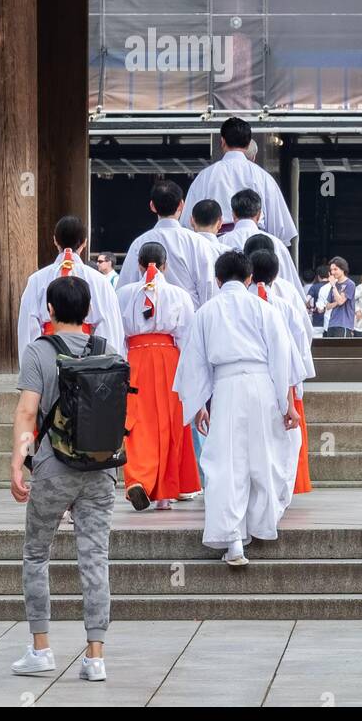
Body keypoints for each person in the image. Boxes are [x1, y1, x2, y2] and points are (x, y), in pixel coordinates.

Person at [11, 276, 115, 683]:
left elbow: (26, 412)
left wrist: (18, 460)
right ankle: (95, 657)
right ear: (88, 311)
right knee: (95, 559)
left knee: (37, 555)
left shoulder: (38, 352)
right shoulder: (107, 350)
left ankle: (41, 649)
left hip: (53, 468)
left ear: (49, 311)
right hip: (101, 469)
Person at [173, 251, 304, 566]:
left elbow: (194, 362)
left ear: (217, 280)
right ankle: (261, 523)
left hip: (226, 387)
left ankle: (233, 542)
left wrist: (198, 406)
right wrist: (287, 402)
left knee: (226, 463)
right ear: (249, 279)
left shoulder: (206, 312)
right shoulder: (264, 308)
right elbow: (281, 356)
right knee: (267, 456)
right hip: (262, 385)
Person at [115, 242, 200, 512]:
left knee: (136, 421)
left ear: (139, 265)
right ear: (165, 265)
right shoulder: (179, 294)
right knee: (169, 422)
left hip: (135, 358)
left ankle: (138, 478)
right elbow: (186, 338)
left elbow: (117, 334)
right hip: (169, 359)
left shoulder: (123, 293)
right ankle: (165, 492)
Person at [250, 248, 314, 495]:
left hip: (249, 378)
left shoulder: (233, 305)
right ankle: (284, 487)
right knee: (284, 439)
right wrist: (296, 383)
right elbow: (300, 339)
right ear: (276, 275)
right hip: (283, 378)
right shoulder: (285, 304)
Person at [17, 215, 125, 358]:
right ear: (85, 242)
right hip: (87, 354)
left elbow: (28, 326)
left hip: (47, 350)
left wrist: (33, 360)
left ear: (55, 240)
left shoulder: (37, 279)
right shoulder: (99, 281)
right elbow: (109, 327)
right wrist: (101, 364)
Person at [181, 117, 296, 243]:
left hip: (215, 247)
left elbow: (188, 223)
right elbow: (281, 229)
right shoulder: (263, 177)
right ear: (248, 144)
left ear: (222, 141)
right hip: (255, 247)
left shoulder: (205, 176)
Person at [117, 180, 216, 308]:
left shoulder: (139, 243)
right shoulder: (197, 242)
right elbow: (207, 286)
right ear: (181, 205)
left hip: (148, 319)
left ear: (152, 206)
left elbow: (125, 287)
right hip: (190, 317)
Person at [221, 188, 301, 290]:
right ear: (259, 215)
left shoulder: (220, 242)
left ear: (233, 214)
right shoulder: (276, 243)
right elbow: (290, 284)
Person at [316, 257, 356, 338]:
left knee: (342, 350)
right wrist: (337, 302)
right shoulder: (334, 285)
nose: (333, 272)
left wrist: (334, 286)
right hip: (331, 324)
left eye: (335, 269)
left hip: (344, 324)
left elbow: (341, 301)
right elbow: (327, 306)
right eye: (331, 270)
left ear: (343, 269)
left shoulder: (350, 284)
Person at [304, 264, 329, 331]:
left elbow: (306, 300)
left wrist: (309, 307)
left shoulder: (314, 287)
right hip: (331, 322)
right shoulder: (333, 287)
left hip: (318, 322)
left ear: (318, 276)